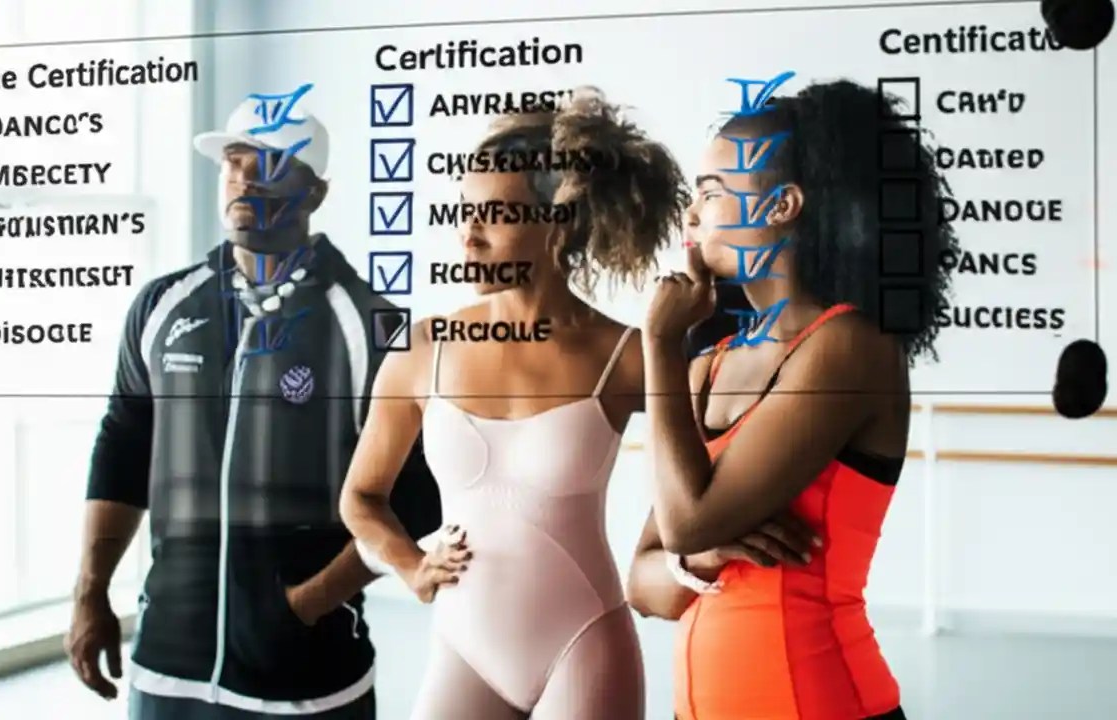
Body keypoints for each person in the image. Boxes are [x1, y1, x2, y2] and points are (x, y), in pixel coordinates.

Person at [63, 93, 441, 719]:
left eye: (266, 164)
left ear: (315, 193)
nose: (241, 176)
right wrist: (90, 590)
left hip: (307, 680)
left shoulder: (370, 324)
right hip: (166, 670)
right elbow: (123, 445)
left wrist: (306, 606)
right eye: (232, 161)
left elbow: (417, 496)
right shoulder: (163, 306)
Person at [337, 88, 687, 719]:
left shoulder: (629, 355)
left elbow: (697, 478)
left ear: (559, 225)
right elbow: (360, 498)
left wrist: (664, 553)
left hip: (583, 645)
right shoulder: (424, 349)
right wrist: (409, 564)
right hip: (463, 647)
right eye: (464, 212)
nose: (467, 237)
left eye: (493, 216)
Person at [632, 79, 958, 719]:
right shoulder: (711, 363)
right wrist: (701, 557)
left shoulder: (848, 347)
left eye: (711, 193)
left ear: (780, 206)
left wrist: (657, 342)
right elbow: (645, 587)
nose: (690, 216)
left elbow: (684, 522)